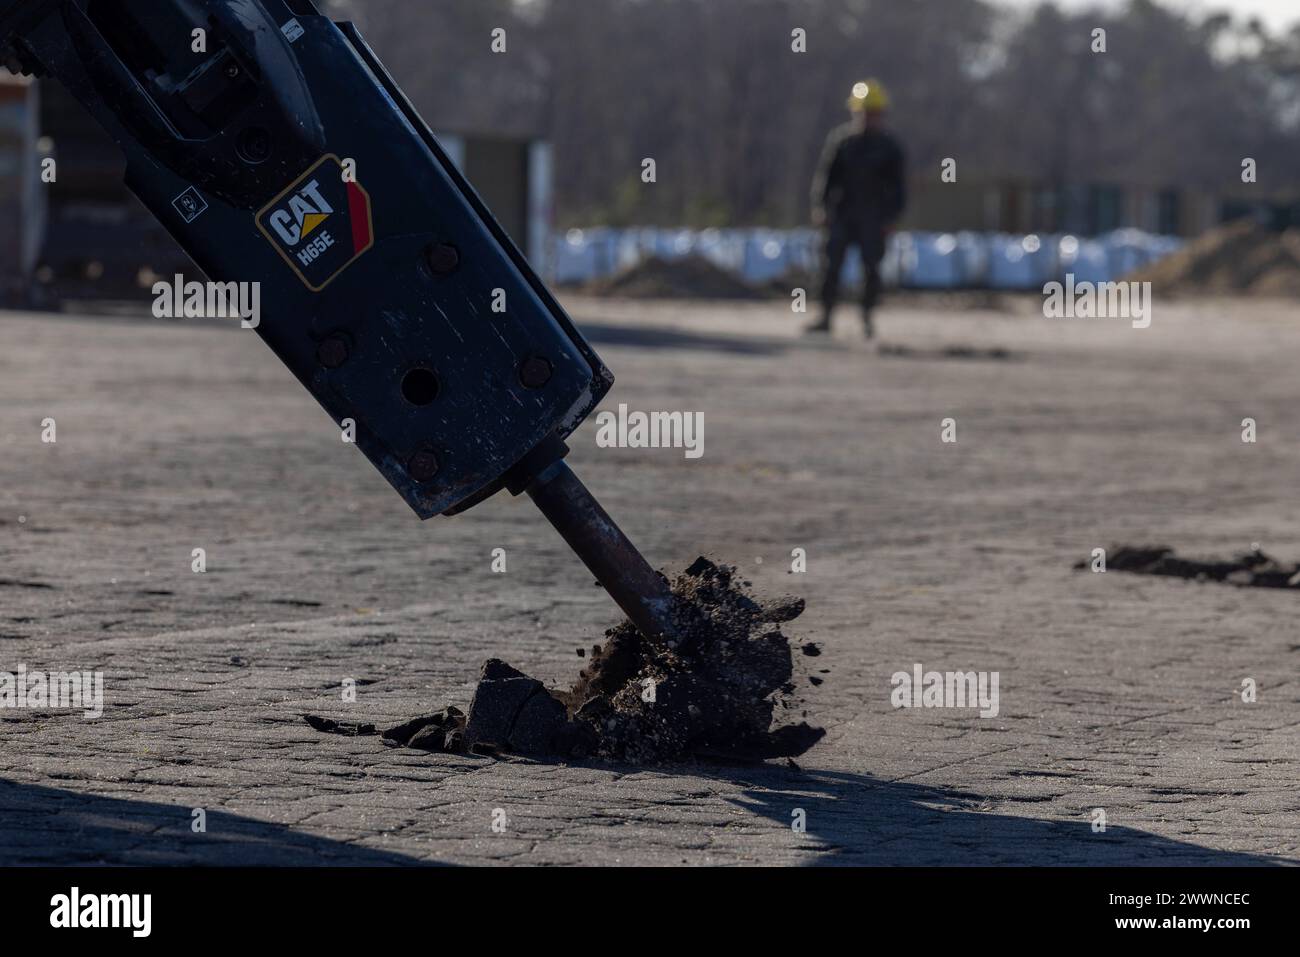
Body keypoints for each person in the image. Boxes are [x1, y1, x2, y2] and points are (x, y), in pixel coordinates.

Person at [807, 79, 906, 338]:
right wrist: (821, 207)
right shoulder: (842, 142)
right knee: (831, 266)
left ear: (880, 114)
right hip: (842, 214)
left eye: (872, 113)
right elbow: (826, 177)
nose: (866, 118)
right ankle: (825, 316)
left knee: (871, 269)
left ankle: (866, 318)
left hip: (873, 218)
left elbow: (898, 187)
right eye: (862, 112)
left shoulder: (889, 148)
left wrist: (892, 217)